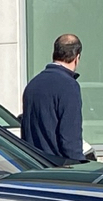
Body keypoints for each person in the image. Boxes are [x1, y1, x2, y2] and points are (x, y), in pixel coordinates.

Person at [20, 34, 85, 162]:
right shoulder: (69, 86)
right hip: (59, 169)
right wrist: (80, 165)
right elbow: (70, 139)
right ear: (77, 57)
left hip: (34, 165)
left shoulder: (33, 85)